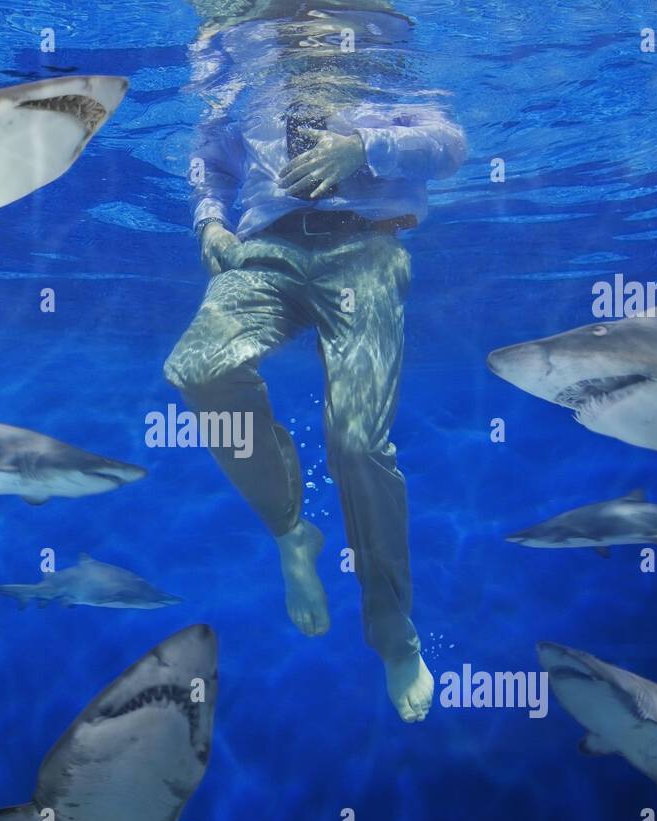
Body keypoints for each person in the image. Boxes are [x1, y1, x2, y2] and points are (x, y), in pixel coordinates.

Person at [164, 1, 467, 721]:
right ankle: (291, 529)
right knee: (199, 370)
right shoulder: (242, 54)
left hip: (364, 246)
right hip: (265, 246)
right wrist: (208, 216)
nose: (304, 32)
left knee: (356, 442)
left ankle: (395, 638)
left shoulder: (383, 59)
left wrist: (363, 149)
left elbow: (449, 143)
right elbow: (212, 148)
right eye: (288, 18)